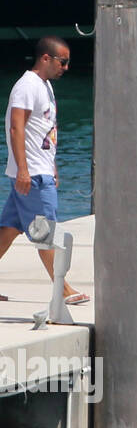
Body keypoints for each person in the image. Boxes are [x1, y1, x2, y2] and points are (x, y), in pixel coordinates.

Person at [0, 37, 86, 305]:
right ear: (46, 59)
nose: (66, 67)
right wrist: (24, 171)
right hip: (33, 177)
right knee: (46, 232)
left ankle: (62, 287)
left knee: (7, 231)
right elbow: (17, 128)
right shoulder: (27, 86)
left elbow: (44, 131)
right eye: (63, 61)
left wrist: (53, 165)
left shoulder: (45, 86)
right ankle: (62, 289)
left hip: (39, 170)